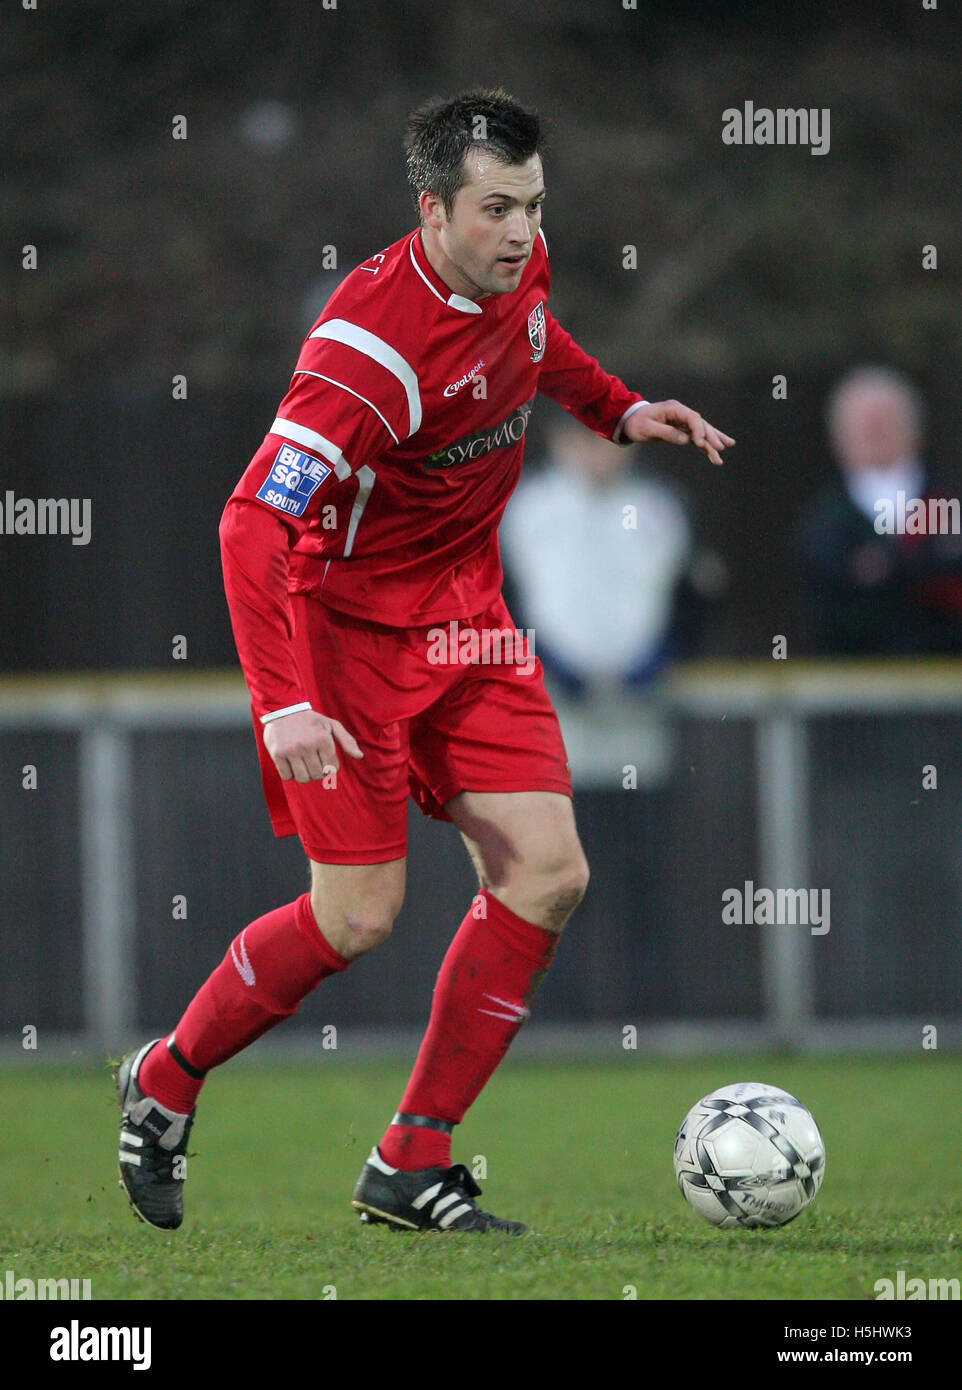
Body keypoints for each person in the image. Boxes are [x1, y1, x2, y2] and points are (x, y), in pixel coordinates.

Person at [115, 89, 734, 1235]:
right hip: (343, 641)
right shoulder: (363, 352)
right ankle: (165, 1080)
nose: (521, 232)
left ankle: (411, 1158)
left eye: (534, 207)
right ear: (432, 210)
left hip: (469, 628)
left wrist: (619, 408)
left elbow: (536, 349)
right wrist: (282, 703)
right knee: (357, 917)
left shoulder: (520, 270)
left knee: (546, 873)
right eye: (495, 208)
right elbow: (247, 525)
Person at [501, 412, 723, 697]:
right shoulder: (524, 508)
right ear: (559, 440)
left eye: (608, 440)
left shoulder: (661, 508)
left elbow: (694, 597)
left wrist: (656, 663)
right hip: (547, 692)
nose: (597, 452)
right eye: (584, 439)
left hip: (645, 694)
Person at [797, 365, 962, 654]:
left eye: (886, 421)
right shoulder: (826, 519)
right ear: (839, 439)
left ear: (914, 429)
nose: (876, 430)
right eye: (865, 424)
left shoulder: (945, 506)